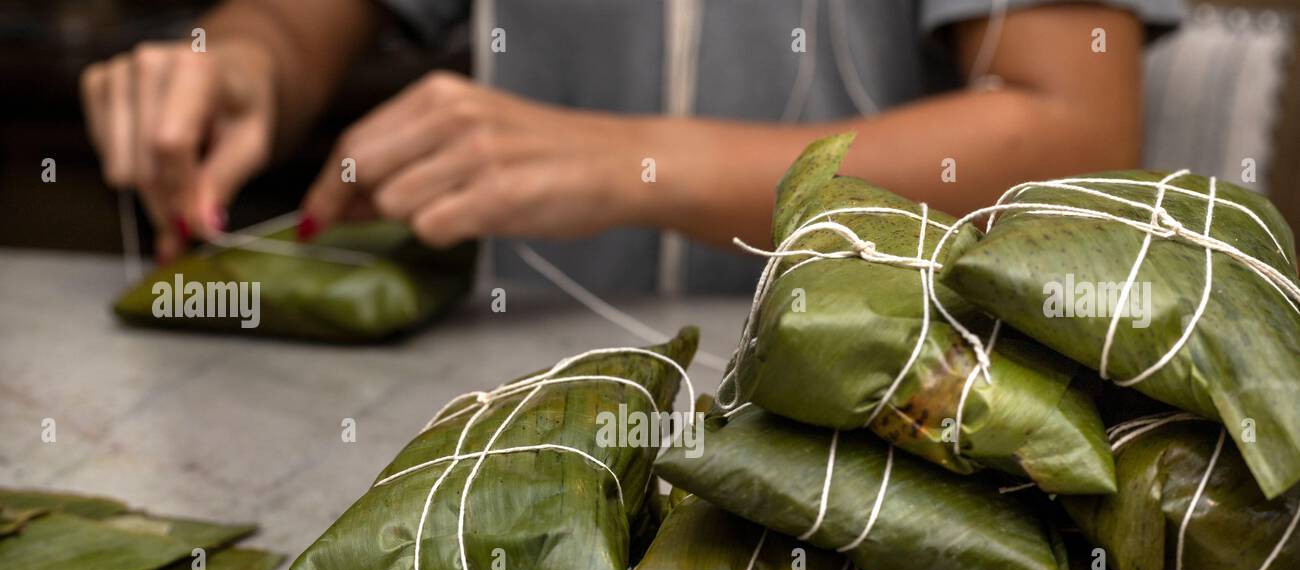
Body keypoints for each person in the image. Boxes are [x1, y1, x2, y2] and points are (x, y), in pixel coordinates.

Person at [80, 0, 1184, 294]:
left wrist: (632, 166)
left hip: (892, 425)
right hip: (502, 397)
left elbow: (1072, 129)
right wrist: (233, 62)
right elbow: (292, 25)